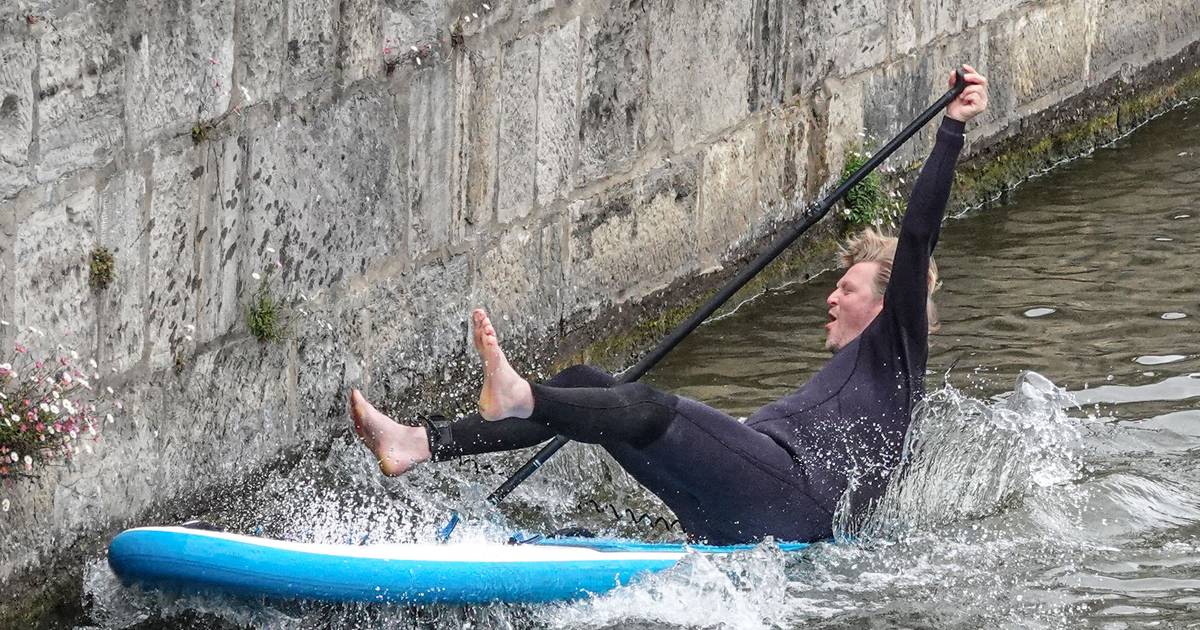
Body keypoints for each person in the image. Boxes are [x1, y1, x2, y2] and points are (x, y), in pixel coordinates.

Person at [349, 66, 989, 545]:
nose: (831, 296)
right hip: (751, 506)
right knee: (589, 388)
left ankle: (521, 397)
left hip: (790, 499)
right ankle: (417, 443)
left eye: (847, 288)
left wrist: (952, 129)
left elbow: (918, 235)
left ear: (887, 302)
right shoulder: (858, 379)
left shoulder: (898, 350)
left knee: (652, 407)